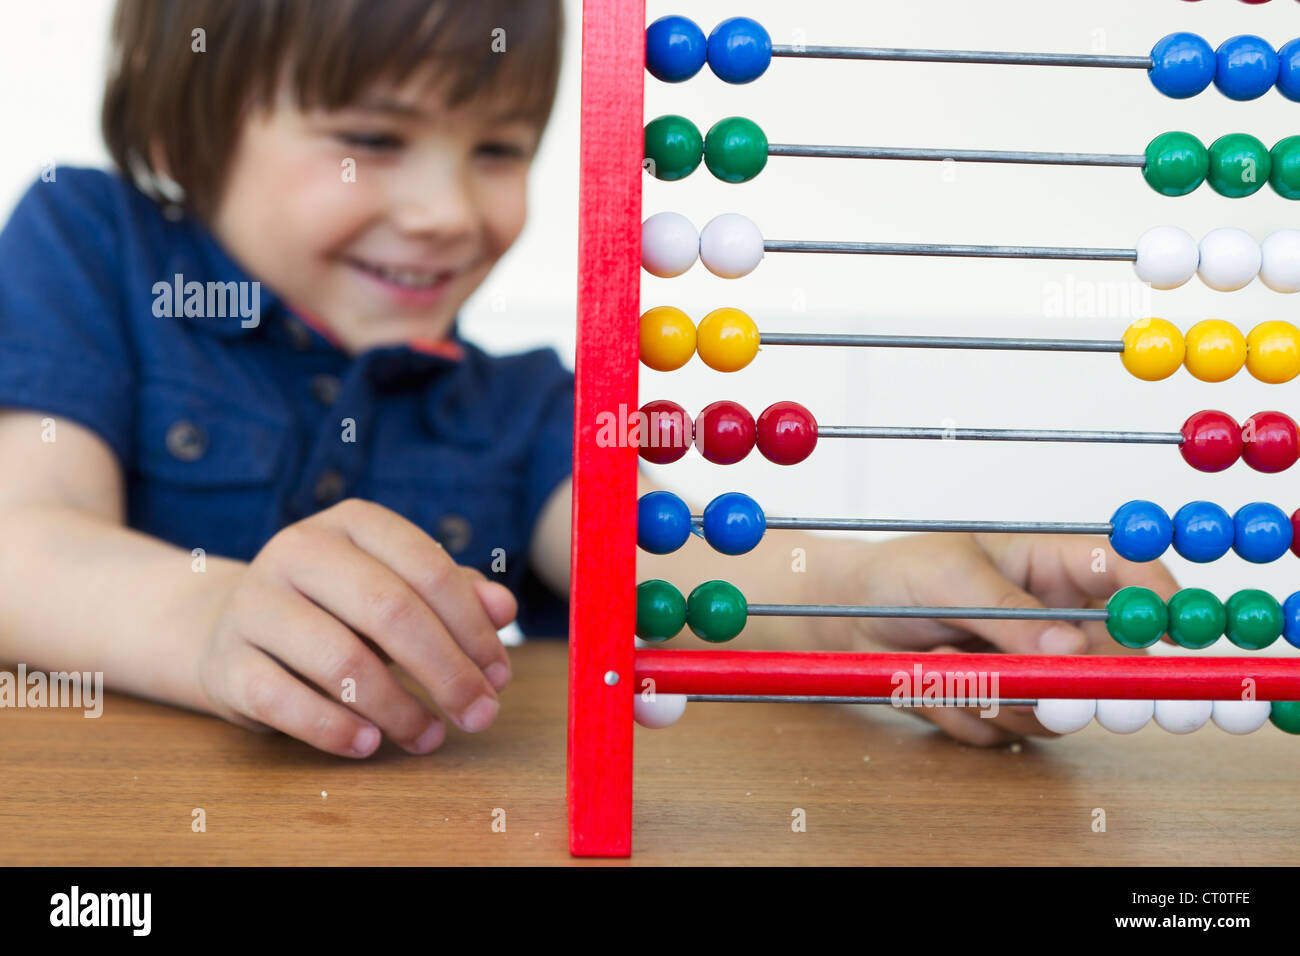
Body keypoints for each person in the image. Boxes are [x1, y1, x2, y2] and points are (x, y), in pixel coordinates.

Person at [0, 0, 1175, 758]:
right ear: (190, 119)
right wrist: (211, 618)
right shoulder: (87, 247)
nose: (449, 211)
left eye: (500, 148)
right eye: (374, 138)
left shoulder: (523, 406)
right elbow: (23, 539)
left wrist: (873, 590)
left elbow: (670, 562)